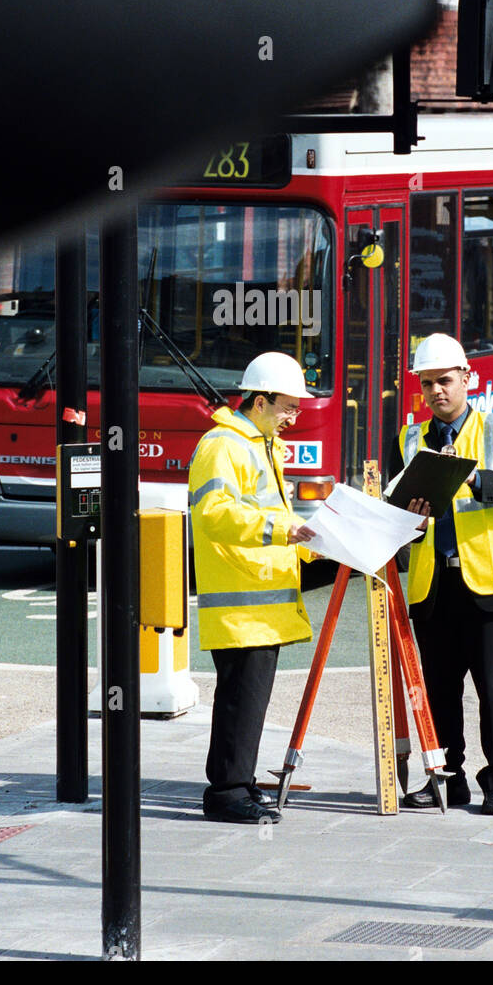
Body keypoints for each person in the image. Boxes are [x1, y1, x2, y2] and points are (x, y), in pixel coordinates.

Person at [389, 334, 493, 816]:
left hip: (491, 586)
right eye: (427, 383)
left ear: (467, 378)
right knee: (438, 692)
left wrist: (473, 477)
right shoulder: (409, 441)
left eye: (445, 381)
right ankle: (444, 780)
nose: (436, 391)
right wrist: (407, 515)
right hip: (435, 588)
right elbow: (399, 519)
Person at [189, 351, 317, 824]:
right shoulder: (225, 445)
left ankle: (238, 784)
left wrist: (308, 545)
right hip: (242, 604)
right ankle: (226, 792)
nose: (293, 417)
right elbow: (214, 514)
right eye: (288, 407)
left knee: (247, 702)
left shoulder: (255, 444)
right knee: (240, 701)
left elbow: (272, 518)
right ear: (259, 401)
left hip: (256, 605)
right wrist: (283, 532)